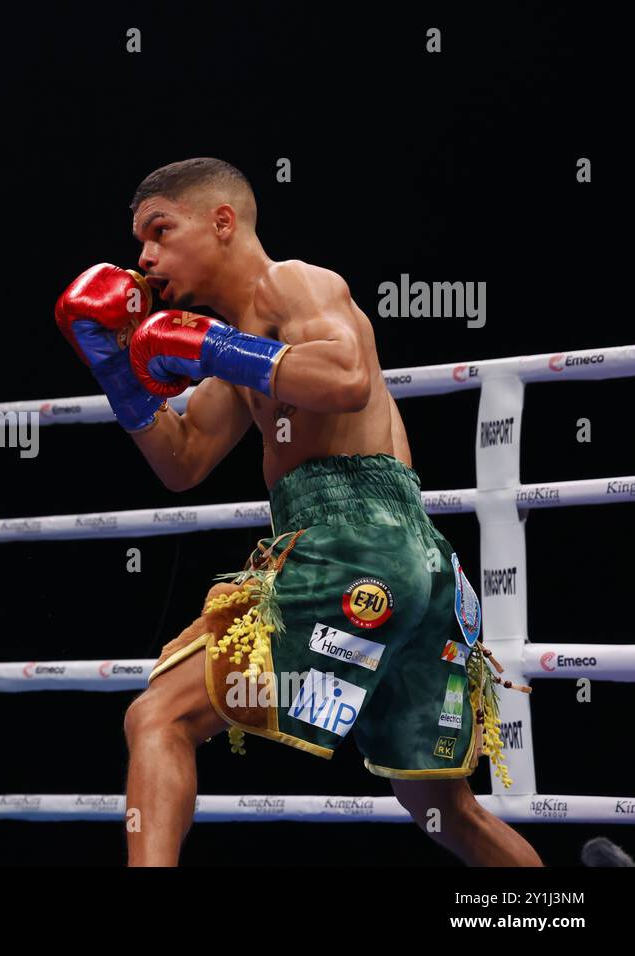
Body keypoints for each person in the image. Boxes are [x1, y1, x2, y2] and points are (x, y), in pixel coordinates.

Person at [54, 157, 540, 866]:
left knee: (158, 715)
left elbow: (345, 378)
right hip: (419, 568)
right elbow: (182, 461)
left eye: (160, 230)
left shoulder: (294, 283)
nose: (144, 257)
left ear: (223, 221)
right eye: (139, 242)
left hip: (351, 546)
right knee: (444, 807)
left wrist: (208, 344)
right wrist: (119, 376)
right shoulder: (239, 346)